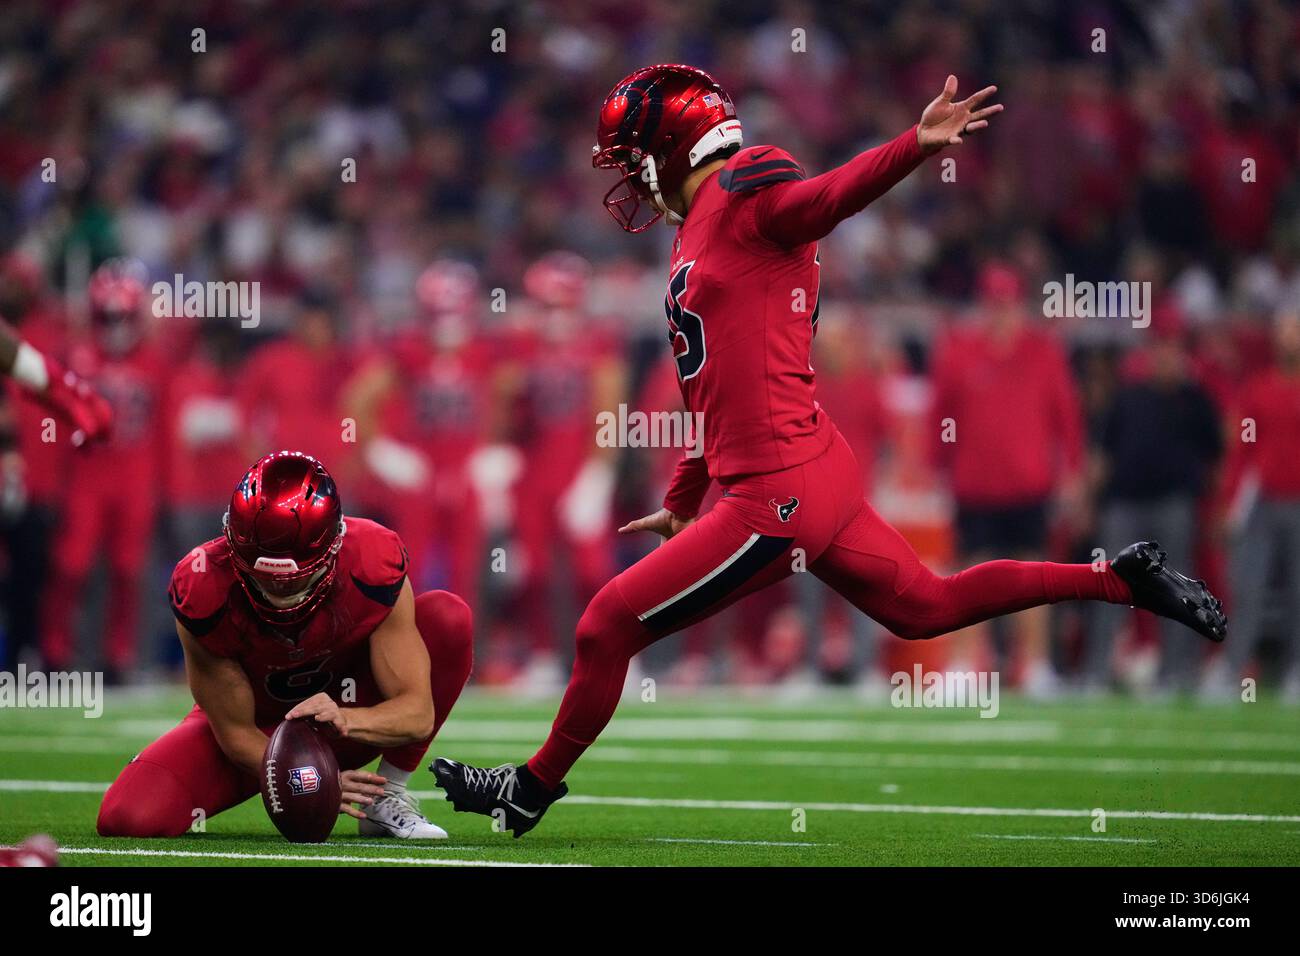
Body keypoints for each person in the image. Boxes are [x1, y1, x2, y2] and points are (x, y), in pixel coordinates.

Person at [432, 64, 1226, 836]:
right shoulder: (704, 228)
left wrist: (911, 147)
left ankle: (530, 789)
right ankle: (1119, 580)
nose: (632, 181)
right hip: (807, 468)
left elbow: (825, 199)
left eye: (635, 159)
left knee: (605, 624)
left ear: (674, 145)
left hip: (778, 489)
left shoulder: (747, 189)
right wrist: (681, 497)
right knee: (927, 608)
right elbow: (722, 384)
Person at [97, 451, 473, 839]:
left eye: (294, 579)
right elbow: (234, 731)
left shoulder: (371, 560)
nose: (278, 588)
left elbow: (416, 714)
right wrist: (306, 776)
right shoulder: (203, 586)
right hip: (255, 735)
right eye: (264, 577)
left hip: (345, 714)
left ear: (333, 547)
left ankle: (385, 797)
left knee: (447, 618)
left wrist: (347, 719)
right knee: (128, 817)